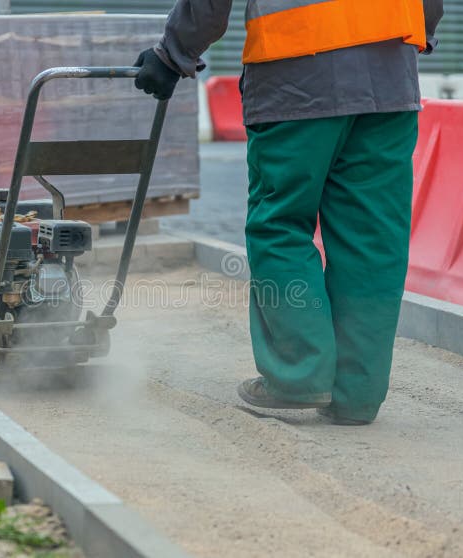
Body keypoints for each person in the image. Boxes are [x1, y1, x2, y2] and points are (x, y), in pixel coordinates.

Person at [134, 0, 444, 425]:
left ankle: (300, 376)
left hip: (297, 71)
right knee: (372, 239)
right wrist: (421, 29)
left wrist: (173, 53)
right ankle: (358, 392)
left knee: (280, 225)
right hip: (390, 75)